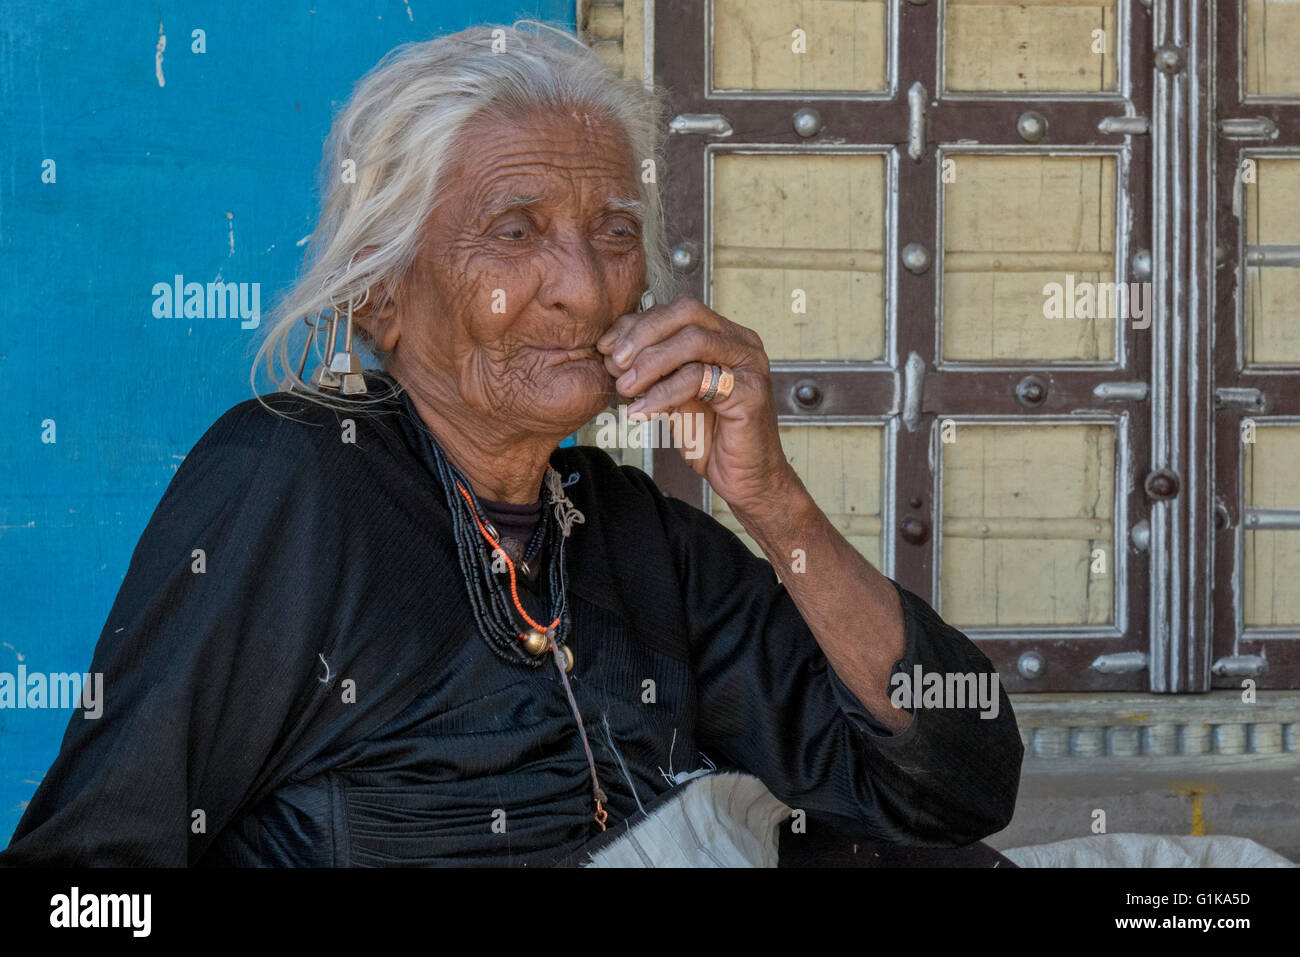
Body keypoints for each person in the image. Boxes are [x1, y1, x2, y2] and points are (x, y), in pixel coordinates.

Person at [0, 22, 1022, 867]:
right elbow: (87, 877)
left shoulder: (627, 534)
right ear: (377, 292)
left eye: (614, 233)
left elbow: (954, 785)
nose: (583, 284)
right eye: (517, 232)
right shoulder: (294, 485)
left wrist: (774, 502)